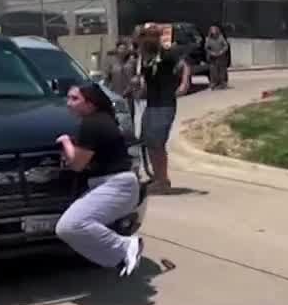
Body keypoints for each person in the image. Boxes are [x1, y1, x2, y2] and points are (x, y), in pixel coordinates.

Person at [54, 83, 145, 276]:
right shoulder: (102, 120)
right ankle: (122, 257)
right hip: (115, 186)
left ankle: (126, 245)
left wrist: (65, 142)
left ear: (91, 103)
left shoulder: (91, 123)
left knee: (69, 226)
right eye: (68, 98)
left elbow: (77, 164)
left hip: (116, 186)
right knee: (69, 228)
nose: (68, 103)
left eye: (75, 99)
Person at [136, 24, 190, 192]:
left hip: (165, 103)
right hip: (151, 103)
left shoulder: (168, 53)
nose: (148, 39)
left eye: (152, 36)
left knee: (158, 142)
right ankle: (157, 177)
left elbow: (184, 66)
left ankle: (163, 180)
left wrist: (184, 83)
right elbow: (144, 77)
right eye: (145, 36)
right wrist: (139, 88)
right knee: (148, 141)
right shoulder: (144, 56)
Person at [204, 25, 230, 90]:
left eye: (214, 30)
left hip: (221, 57)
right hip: (213, 58)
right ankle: (214, 83)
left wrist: (221, 51)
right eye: (212, 31)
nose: (214, 33)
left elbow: (226, 46)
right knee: (213, 71)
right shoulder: (209, 39)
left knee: (222, 70)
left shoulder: (221, 37)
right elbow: (206, 48)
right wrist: (211, 53)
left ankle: (223, 83)